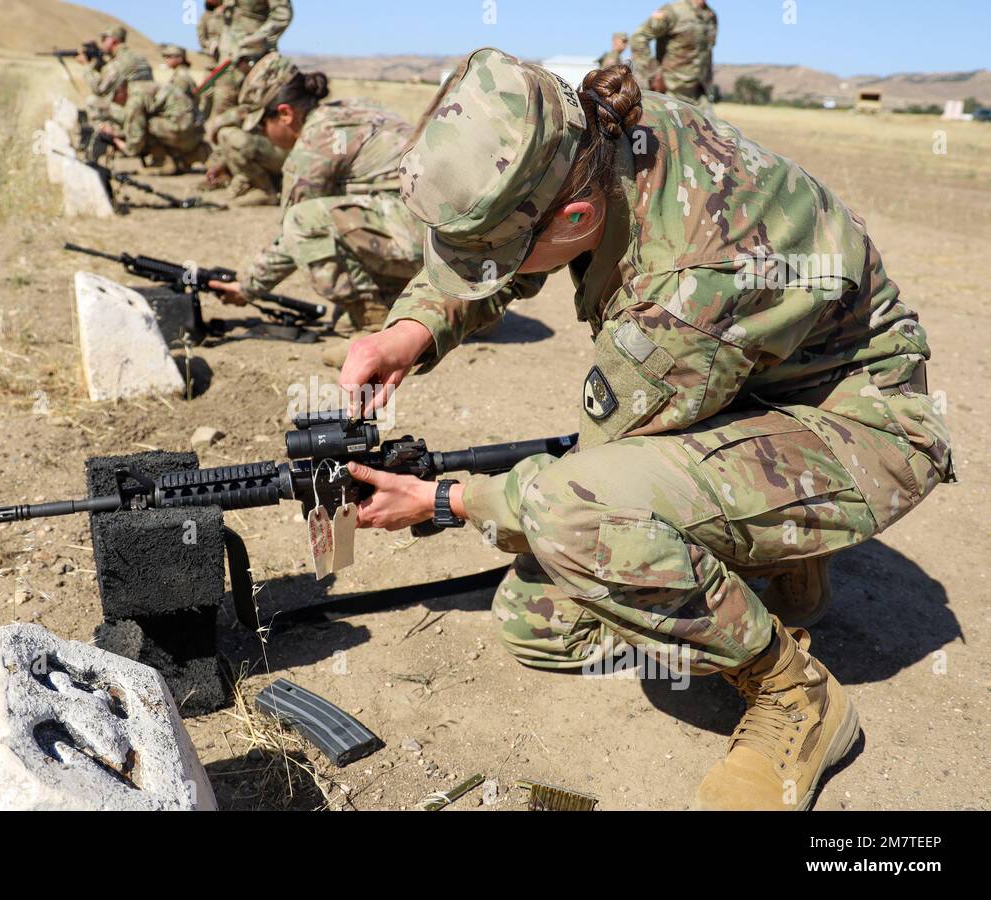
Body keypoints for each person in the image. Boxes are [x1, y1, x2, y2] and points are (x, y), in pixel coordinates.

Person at [337, 48, 954, 811]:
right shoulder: (603, 129)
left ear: (578, 218)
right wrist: (409, 332)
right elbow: (514, 236)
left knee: (576, 518)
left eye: (493, 261)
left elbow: (587, 492)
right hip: (772, 385)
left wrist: (444, 501)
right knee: (538, 625)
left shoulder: (682, 292)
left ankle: (792, 695)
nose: (489, 274)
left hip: (864, 429)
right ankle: (773, 566)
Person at [204, 54, 424, 352]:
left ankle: (374, 324)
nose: (262, 136)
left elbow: (292, 235)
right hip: (448, 240)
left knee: (303, 221)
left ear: (285, 114)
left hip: (419, 235)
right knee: (342, 311)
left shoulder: (315, 142)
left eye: (261, 127)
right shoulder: (351, 108)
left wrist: (247, 288)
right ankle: (424, 305)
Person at [202, 42, 290, 205]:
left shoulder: (271, 87)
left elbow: (241, 115)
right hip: (278, 151)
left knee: (232, 136)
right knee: (229, 135)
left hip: (285, 153)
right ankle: (246, 182)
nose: (238, 67)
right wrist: (222, 163)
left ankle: (265, 190)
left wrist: (216, 126)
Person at [94, 64, 206, 173]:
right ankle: (189, 155)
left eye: (114, 97)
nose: (115, 102)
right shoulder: (137, 87)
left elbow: (135, 143)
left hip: (184, 129)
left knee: (149, 125)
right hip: (193, 126)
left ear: (121, 88)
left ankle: (163, 162)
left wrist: (114, 139)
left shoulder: (134, 101)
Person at [209, 0, 294, 123]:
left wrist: (256, 39)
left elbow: (282, 15)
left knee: (254, 115)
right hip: (227, 58)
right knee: (221, 114)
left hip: (253, 57)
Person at [631, 0, 717, 109]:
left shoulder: (711, 16)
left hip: (699, 95)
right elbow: (638, 37)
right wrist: (652, 74)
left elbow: (706, 52)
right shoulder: (672, 11)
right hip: (670, 93)